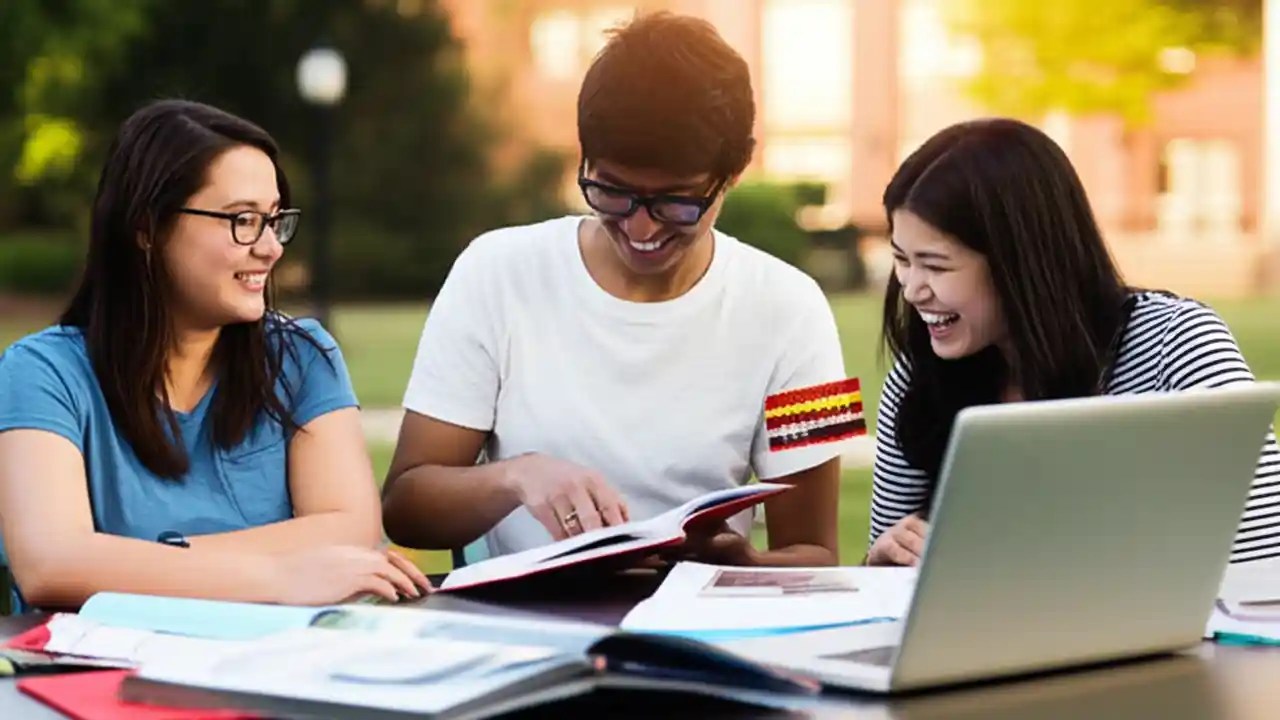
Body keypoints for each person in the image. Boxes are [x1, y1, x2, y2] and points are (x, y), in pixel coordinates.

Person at [381, 12, 856, 567]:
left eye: (676, 202)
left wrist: (740, 566)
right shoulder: (493, 269)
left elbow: (816, 553)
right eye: (611, 192)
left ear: (736, 168)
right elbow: (404, 504)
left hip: (692, 627)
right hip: (526, 624)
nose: (641, 228)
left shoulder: (796, 308)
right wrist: (516, 477)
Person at [0, 99, 432, 612]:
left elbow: (352, 528)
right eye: (243, 220)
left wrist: (134, 561)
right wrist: (278, 576)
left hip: (282, 666)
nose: (271, 247)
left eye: (274, 220)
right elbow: (52, 566)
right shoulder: (43, 374)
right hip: (100, 678)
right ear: (145, 228)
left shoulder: (300, 358)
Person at [866, 117, 1280, 567]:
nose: (911, 289)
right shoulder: (918, 377)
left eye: (936, 266)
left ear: (1020, 261)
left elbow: (1263, 560)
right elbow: (886, 575)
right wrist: (882, 567)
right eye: (902, 260)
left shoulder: (1176, 345)